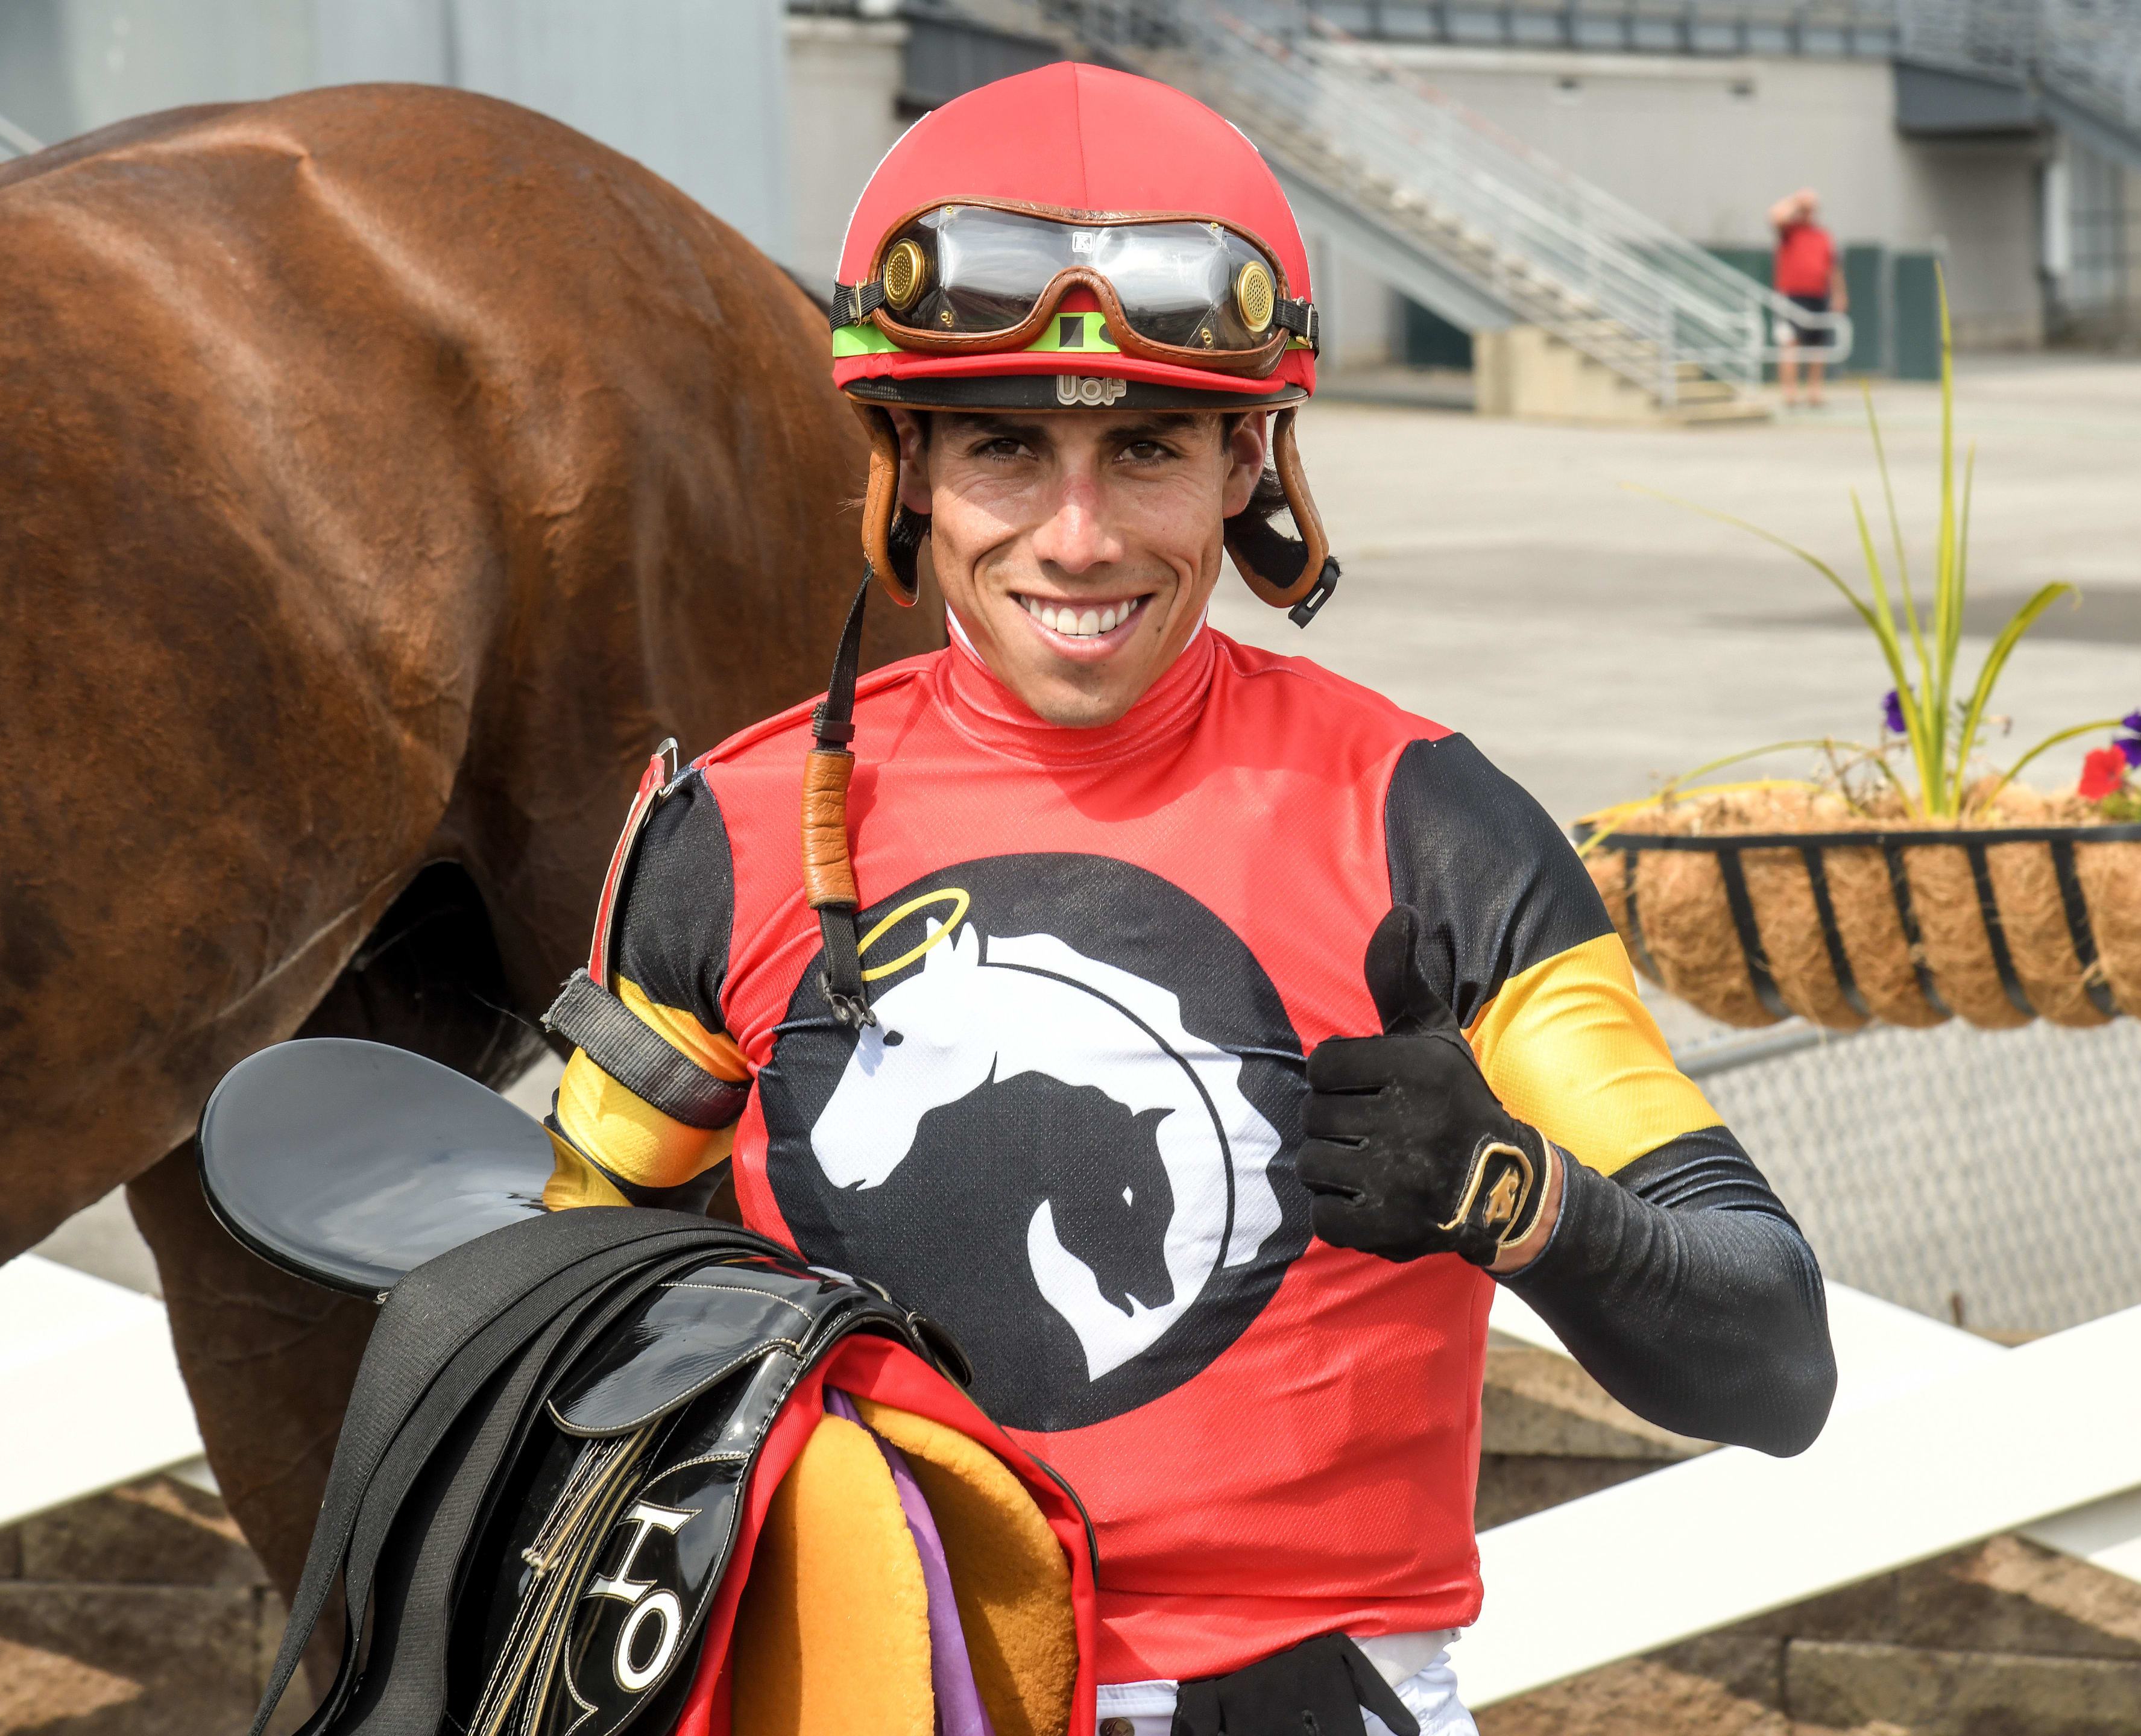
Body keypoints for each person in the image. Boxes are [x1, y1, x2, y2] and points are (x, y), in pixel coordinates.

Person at [540, 63, 1837, 1736]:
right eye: (1006, 448)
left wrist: (1520, 1202)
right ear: (907, 464)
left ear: (1249, 463)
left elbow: (1772, 1354)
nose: (1078, 539)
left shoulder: (1429, 827)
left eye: (1146, 449)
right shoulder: (724, 833)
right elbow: (569, 1337)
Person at [1771, 187, 1846, 408]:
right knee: (1790, 343)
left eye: (1811, 209)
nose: (1808, 213)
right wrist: (1797, 201)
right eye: (1805, 209)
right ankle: (1790, 394)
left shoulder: (1823, 235)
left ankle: (1814, 392)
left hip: (1818, 295)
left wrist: (1839, 294)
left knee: (1817, 346)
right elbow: (1775, 216)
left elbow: (1833, 267)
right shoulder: (1789, 231)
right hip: (1792, 296)